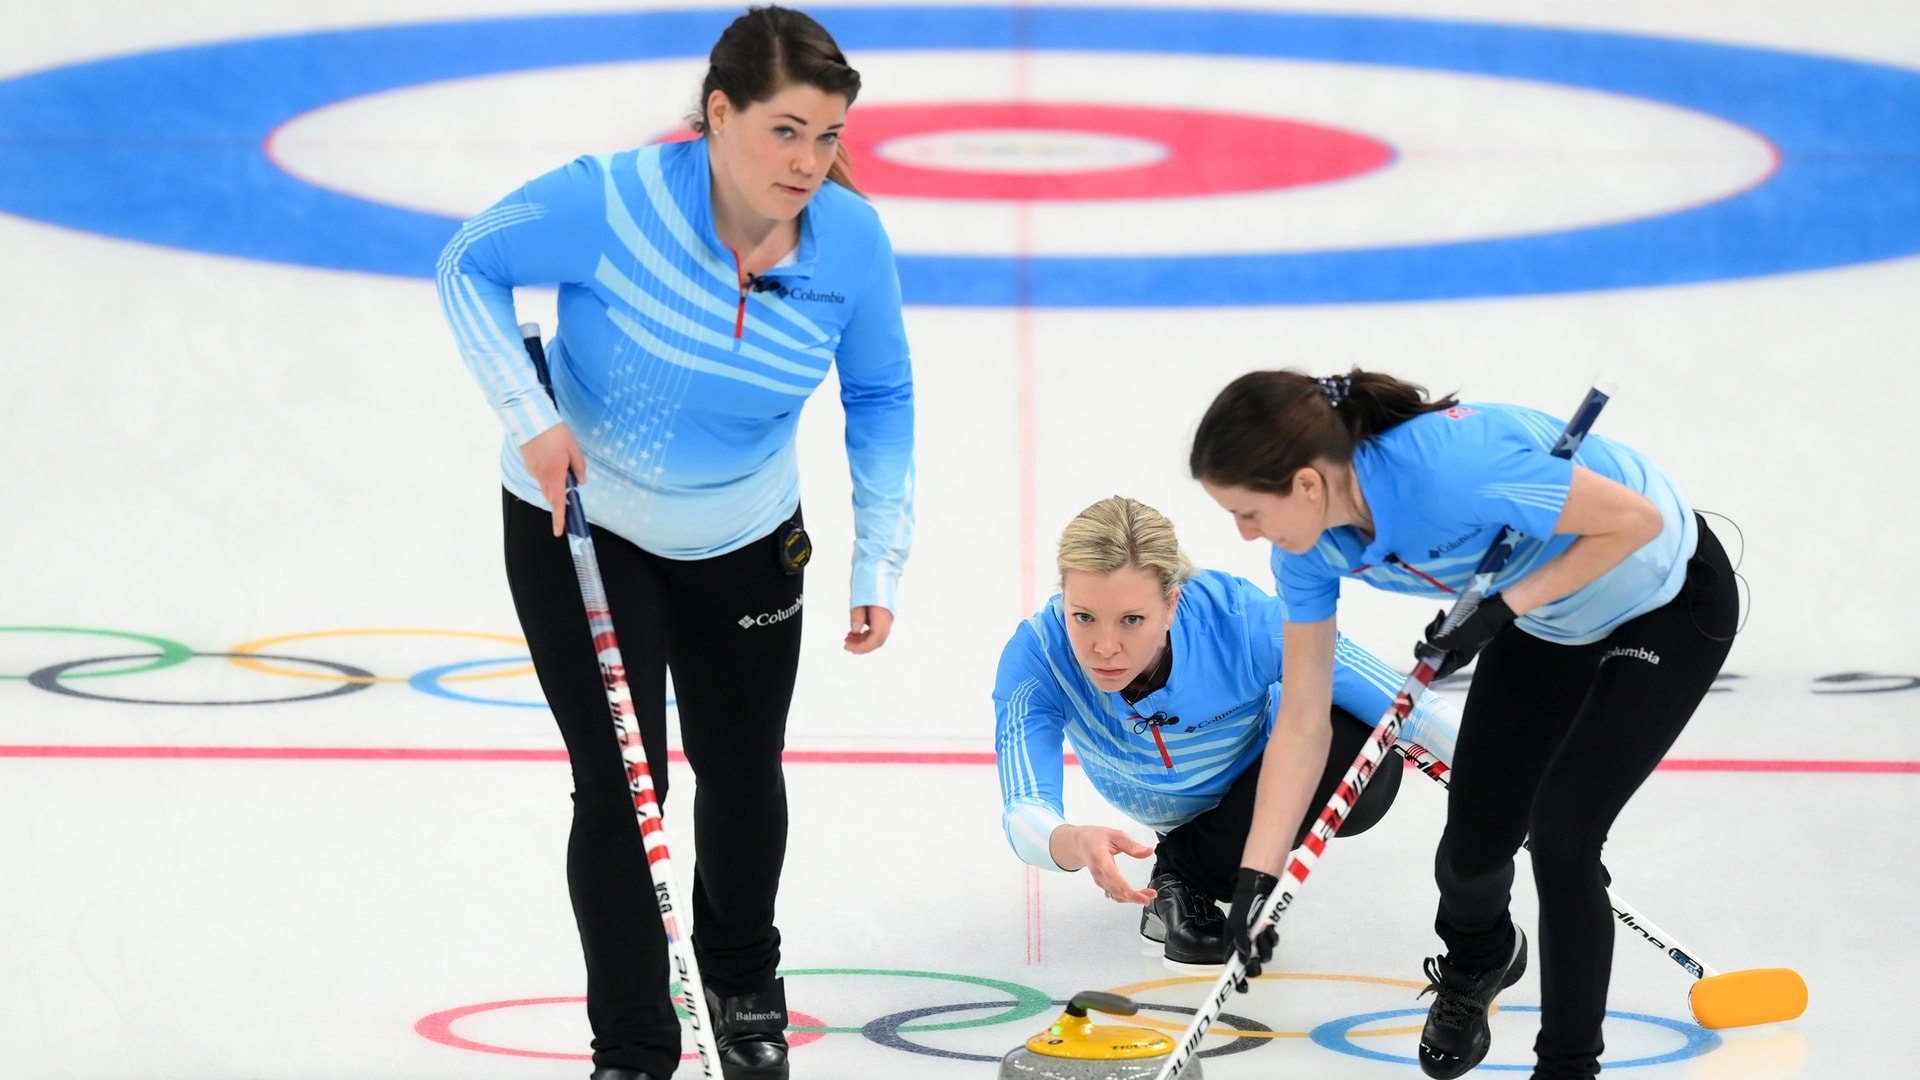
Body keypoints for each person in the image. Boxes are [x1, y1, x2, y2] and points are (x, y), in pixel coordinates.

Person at [435, 7, 914, 1079]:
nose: (810, 161)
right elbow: (466, 260)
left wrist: (876, 555)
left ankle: (743, 984)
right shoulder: (609, 199)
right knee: (622, 784)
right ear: (718, 113)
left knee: (742, 769)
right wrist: (531, 412)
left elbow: (880, 392)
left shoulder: (852, 244)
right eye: (785, 130)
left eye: (830, 136)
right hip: (580, 522)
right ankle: (635, 1045)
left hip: (743, 535)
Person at [1190, 371, 1738, 1080]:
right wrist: (1256, 877)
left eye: (1248, 511)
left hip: (1664, 597)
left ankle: (1567, 1069)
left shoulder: (1453, 472)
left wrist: (1501, 608)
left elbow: (1636, 522)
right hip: (1550, 620)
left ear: (1304, 485)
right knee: (1470, 860)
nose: (1244, 533)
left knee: (1564, 835)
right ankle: (1483, 956)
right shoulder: (1307, 550)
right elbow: (1302, 718)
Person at [993, 496, 1461, 965]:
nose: (1105, 647)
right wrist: (1072, 841)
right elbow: (1025, 811)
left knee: (1364, 740)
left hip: (1279, 778)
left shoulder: (1240, 619)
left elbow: (1410, 707)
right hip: (1178, 812)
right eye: (1083, 617)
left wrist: (1509, 783)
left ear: (1172, 604)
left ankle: (1184, 874)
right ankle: (1195, 871)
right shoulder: (1037, 657)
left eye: (1132, 620)